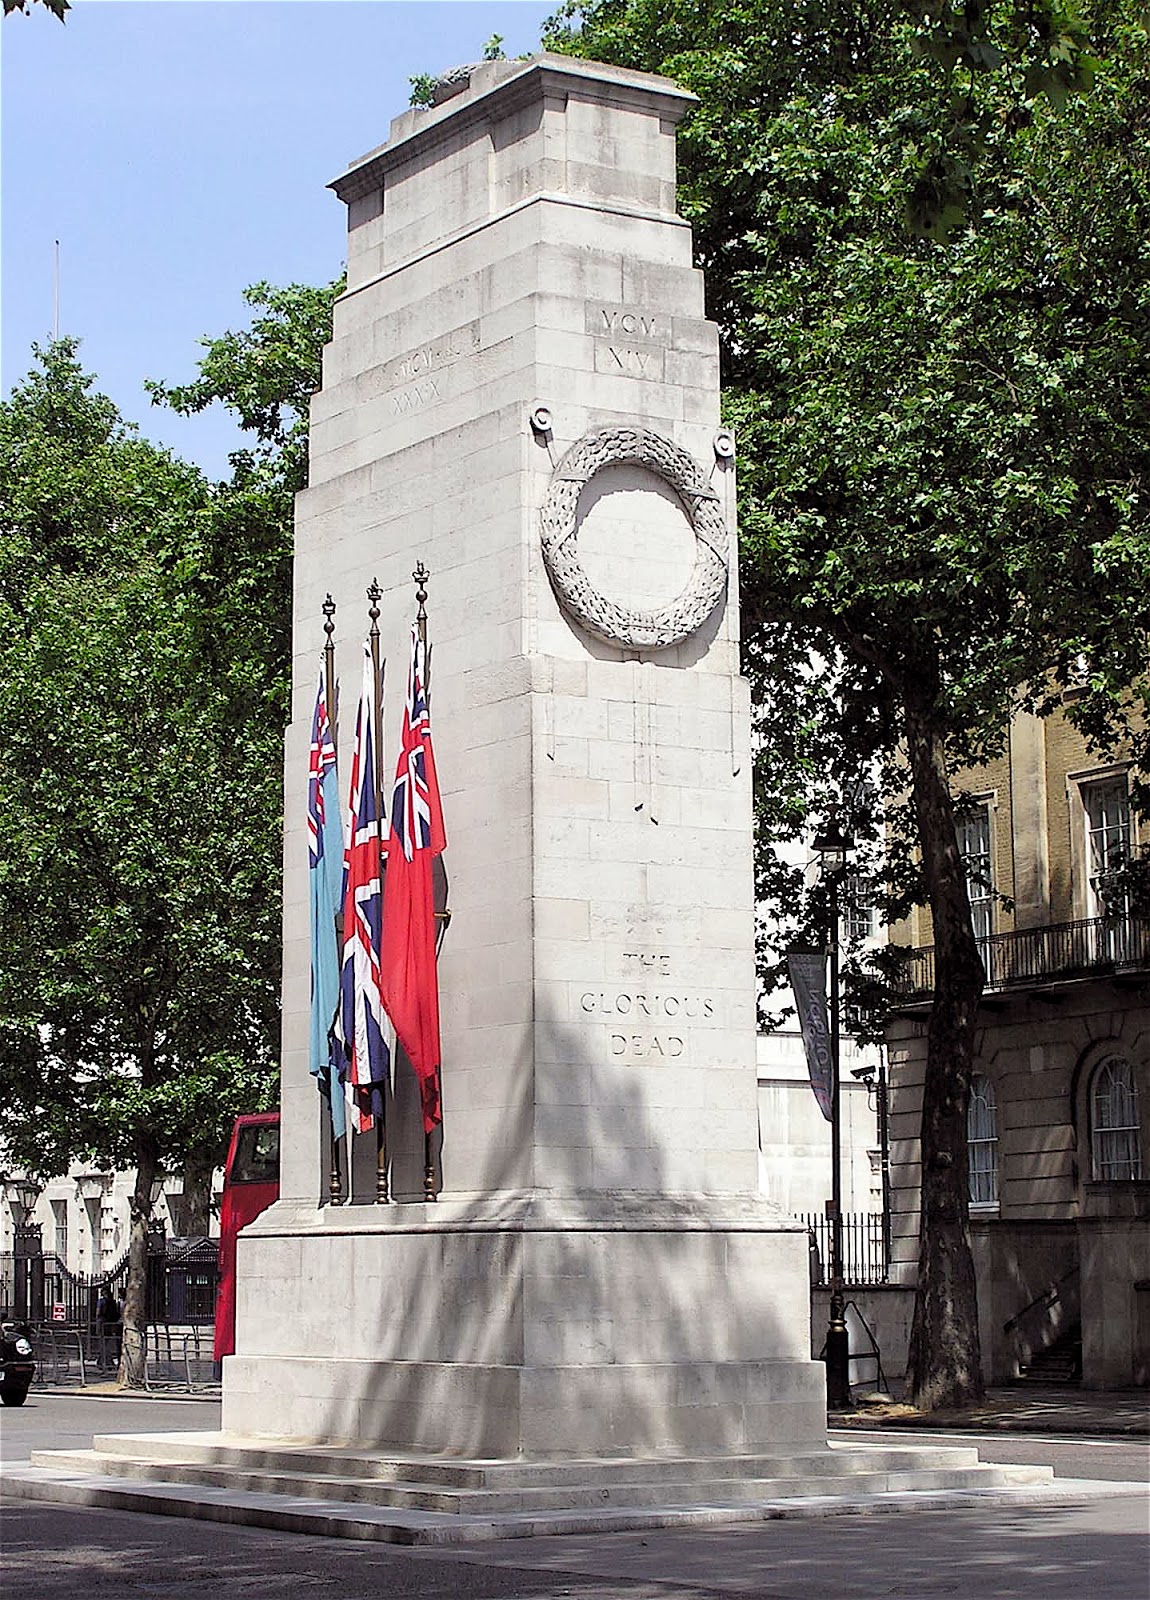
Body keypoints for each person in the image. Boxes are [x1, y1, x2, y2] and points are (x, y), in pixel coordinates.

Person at [95, 1285, 122, 1371]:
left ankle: (106, 1362)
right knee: (106, 1343)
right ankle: (103, 1361)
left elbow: (98, 1312)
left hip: (102, 1322)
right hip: (110, 1323)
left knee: (103, 1343)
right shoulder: (113, 1302)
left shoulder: (101, 1301)